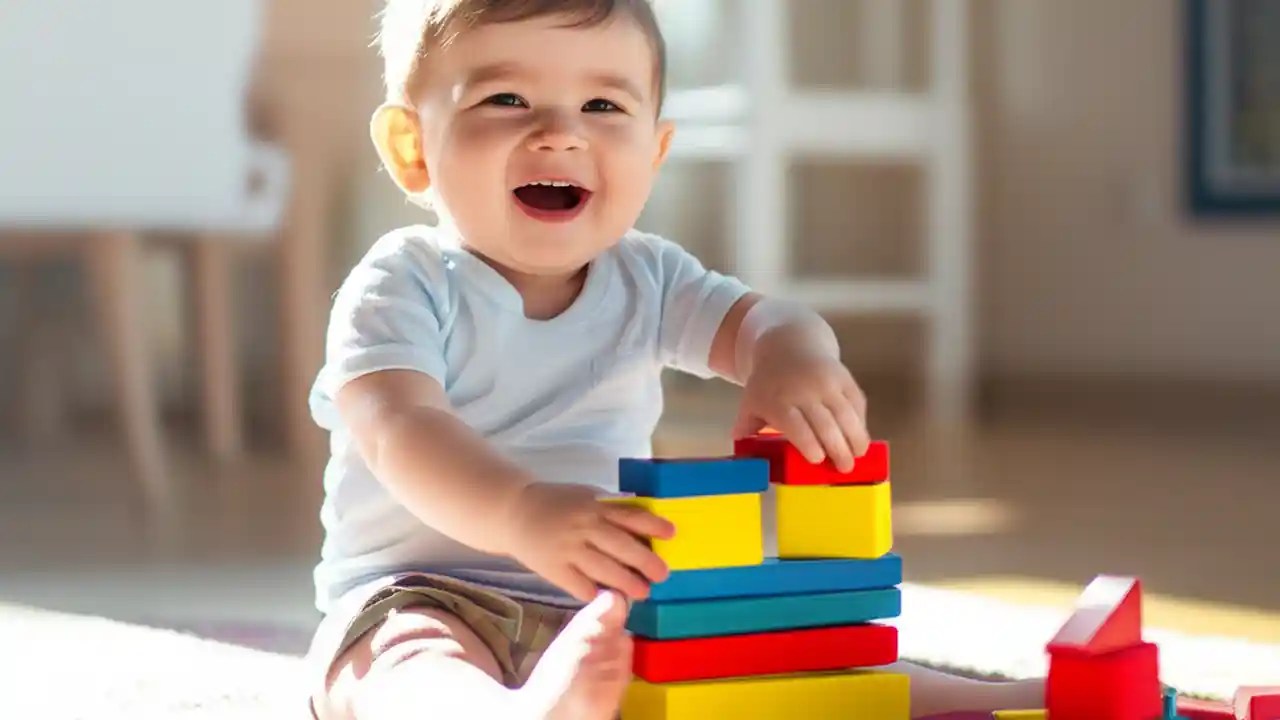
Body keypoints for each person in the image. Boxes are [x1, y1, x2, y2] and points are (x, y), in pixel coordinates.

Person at [303, 1, 1044, 717]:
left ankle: (986, 704)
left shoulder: (650, 279)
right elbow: (400, 430)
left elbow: (767, 322)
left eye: (603, 107)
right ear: (412, 148)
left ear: (654, 152)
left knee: (780, 655)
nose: (560, 134)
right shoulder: (401, 282)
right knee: (402, 670)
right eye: (507, 98)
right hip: (422, 592)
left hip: (605, 605)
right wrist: (521, 512)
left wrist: (791, 358)